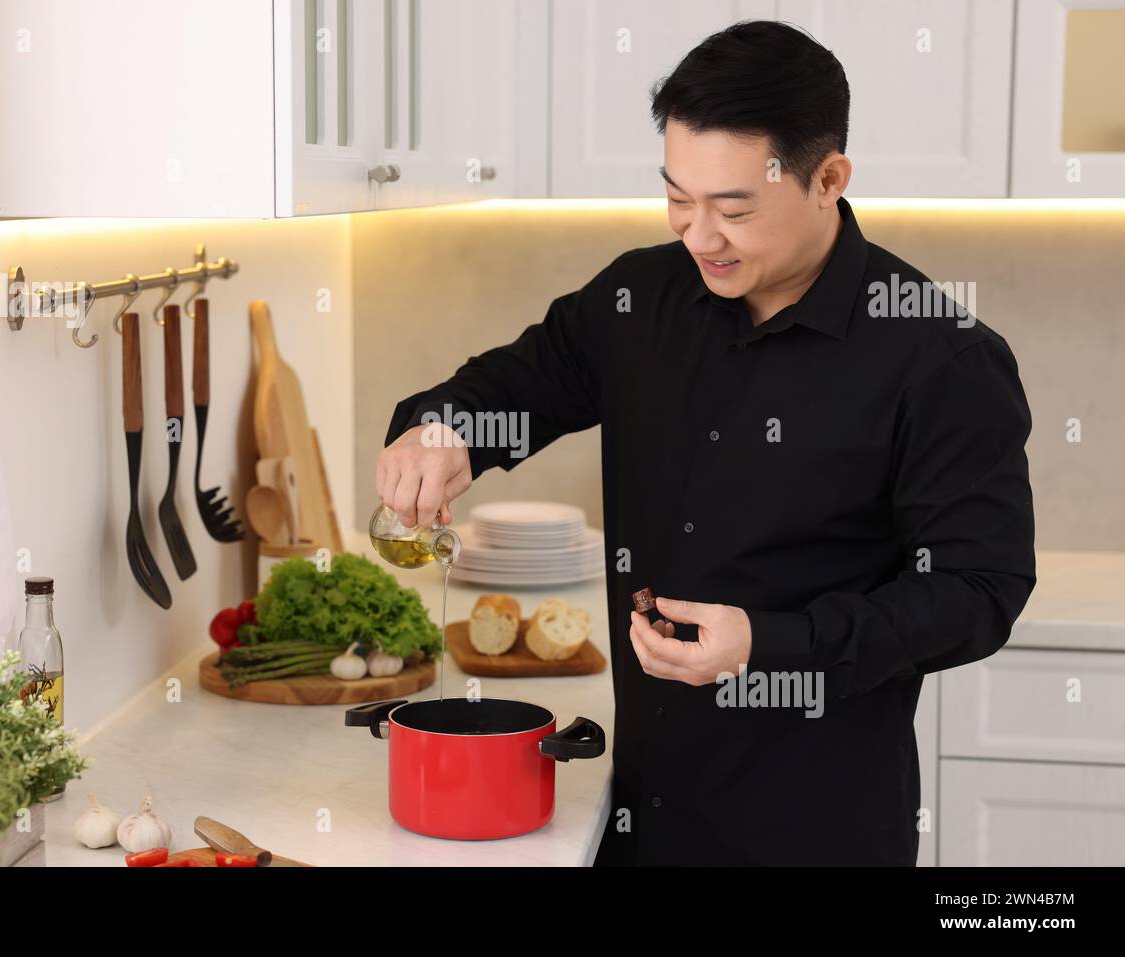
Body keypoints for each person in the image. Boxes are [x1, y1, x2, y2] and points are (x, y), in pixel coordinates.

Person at [376, 20, 1035, 865]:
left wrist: (769, 643)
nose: (698, 236)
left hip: (817, 830)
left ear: (828, 177)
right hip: (640, 813)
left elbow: (980, 592)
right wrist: (446, 429)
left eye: (734, 208)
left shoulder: (939, 357)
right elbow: (517, 386)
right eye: (678, 198)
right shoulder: (638, 300)